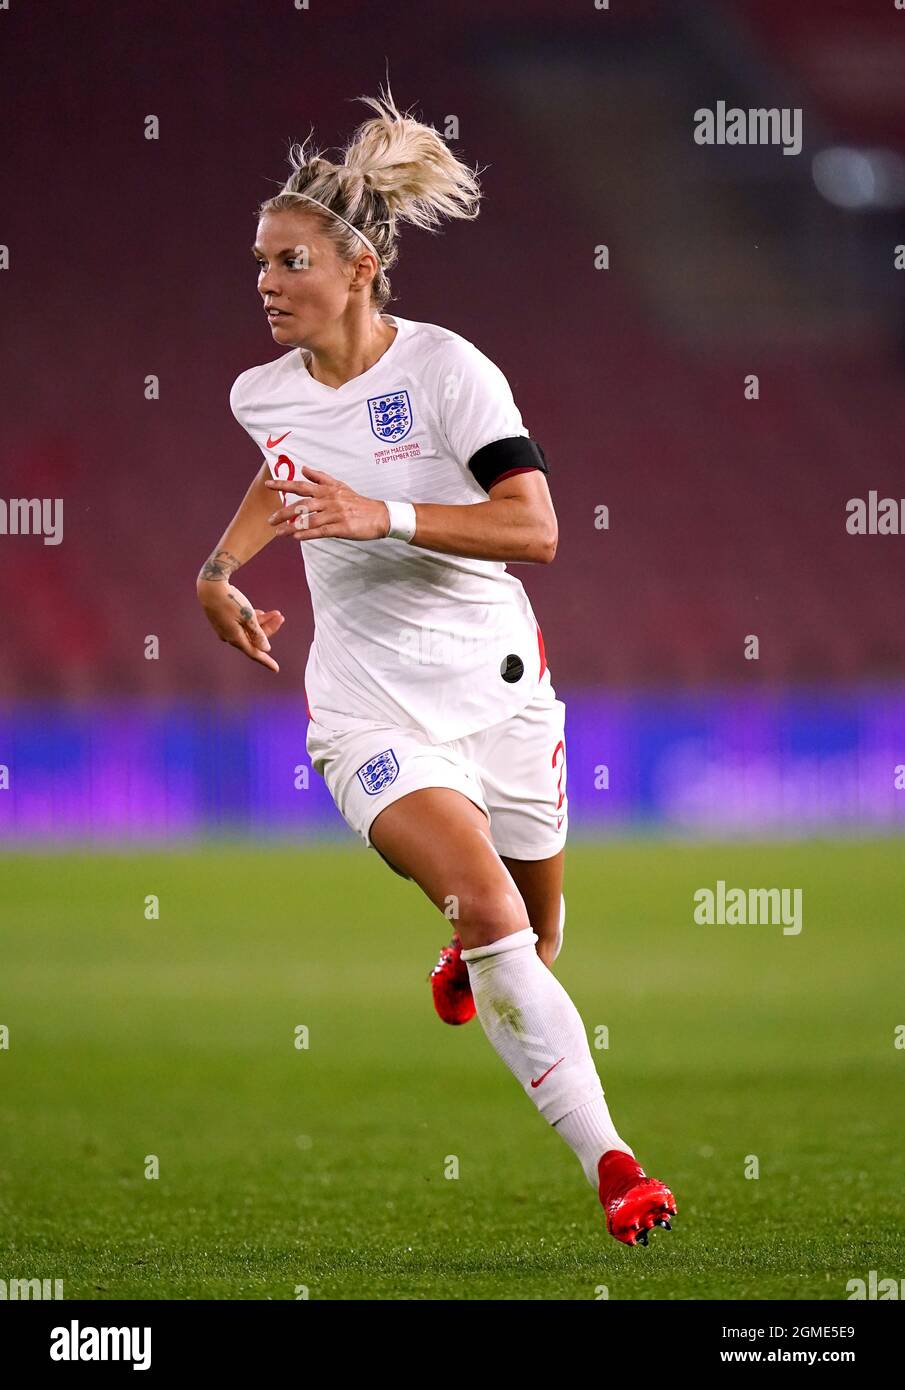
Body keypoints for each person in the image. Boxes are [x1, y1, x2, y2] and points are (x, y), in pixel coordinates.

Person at [197, 83, 676, 1246]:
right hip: (369, 713)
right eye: (258, 260)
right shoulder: (259, 391)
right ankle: (613, 1163)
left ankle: (475, 954)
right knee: (496, 915)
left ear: (358, 266)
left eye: (288, 259)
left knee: (536, 937)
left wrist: (385, 517)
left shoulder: (451, 371)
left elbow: (537, 530)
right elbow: (283, 465)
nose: (264, 280)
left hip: (500, 691)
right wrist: (218, 571)